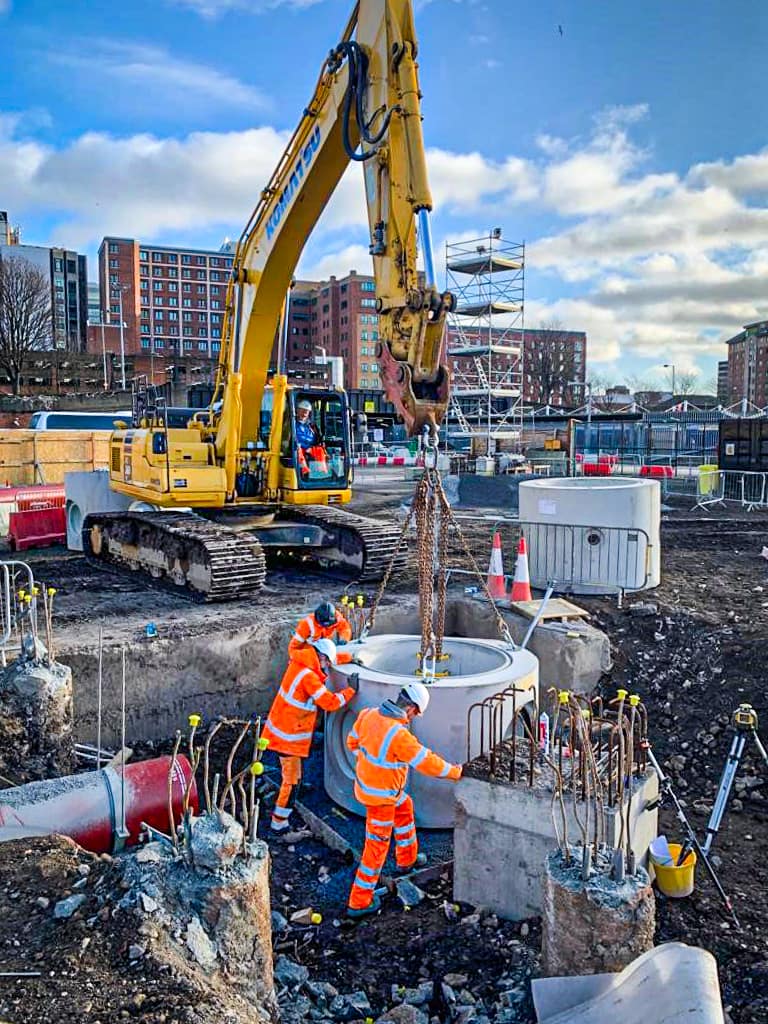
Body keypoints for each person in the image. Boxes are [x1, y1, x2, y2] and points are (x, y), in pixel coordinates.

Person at [346, 682, 462, 919]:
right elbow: (427, 763)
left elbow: (352, 743)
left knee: (405, 806)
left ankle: (406, 859)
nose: (414, 718)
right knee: (375, 849)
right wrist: (456, 772)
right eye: (416, 713)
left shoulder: (368, 715)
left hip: (378, 791)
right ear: (410, 708)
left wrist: (370, 768)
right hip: (381, 799)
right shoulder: (398, 736)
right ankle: (359, 902)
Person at [262, 637, 357, 833]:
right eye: (327, 662)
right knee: (291, 781)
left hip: (282, 730)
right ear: (320, 656)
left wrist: (352, 658)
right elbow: (330, 702)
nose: (327, 666)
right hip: (288, 738)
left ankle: (290, 798)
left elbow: (331, 657)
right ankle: (279, 823)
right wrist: (351, 691)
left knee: (294, 774)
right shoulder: (309, 678)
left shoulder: (300, 662)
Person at [288, 601, 354, 663]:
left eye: (328, 625)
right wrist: (297, 658)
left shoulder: (337, 618)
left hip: (323, 649)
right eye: (322, 625)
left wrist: (344, 638)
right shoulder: (307, 624)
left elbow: (345, 628)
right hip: (309, 651)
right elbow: (294, 647)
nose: (325, 627)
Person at [294, 399, 329, 479]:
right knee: (297, 449)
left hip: (309, 447)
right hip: (299, 447)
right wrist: (306, 448)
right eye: (303, 411)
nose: (304, 413)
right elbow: (296, 438)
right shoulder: (294, 424)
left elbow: (314, 438)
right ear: (298, 411)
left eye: (307, 411)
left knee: (319, 450)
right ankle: (305, 470)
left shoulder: (310, 426)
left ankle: (322, 472)